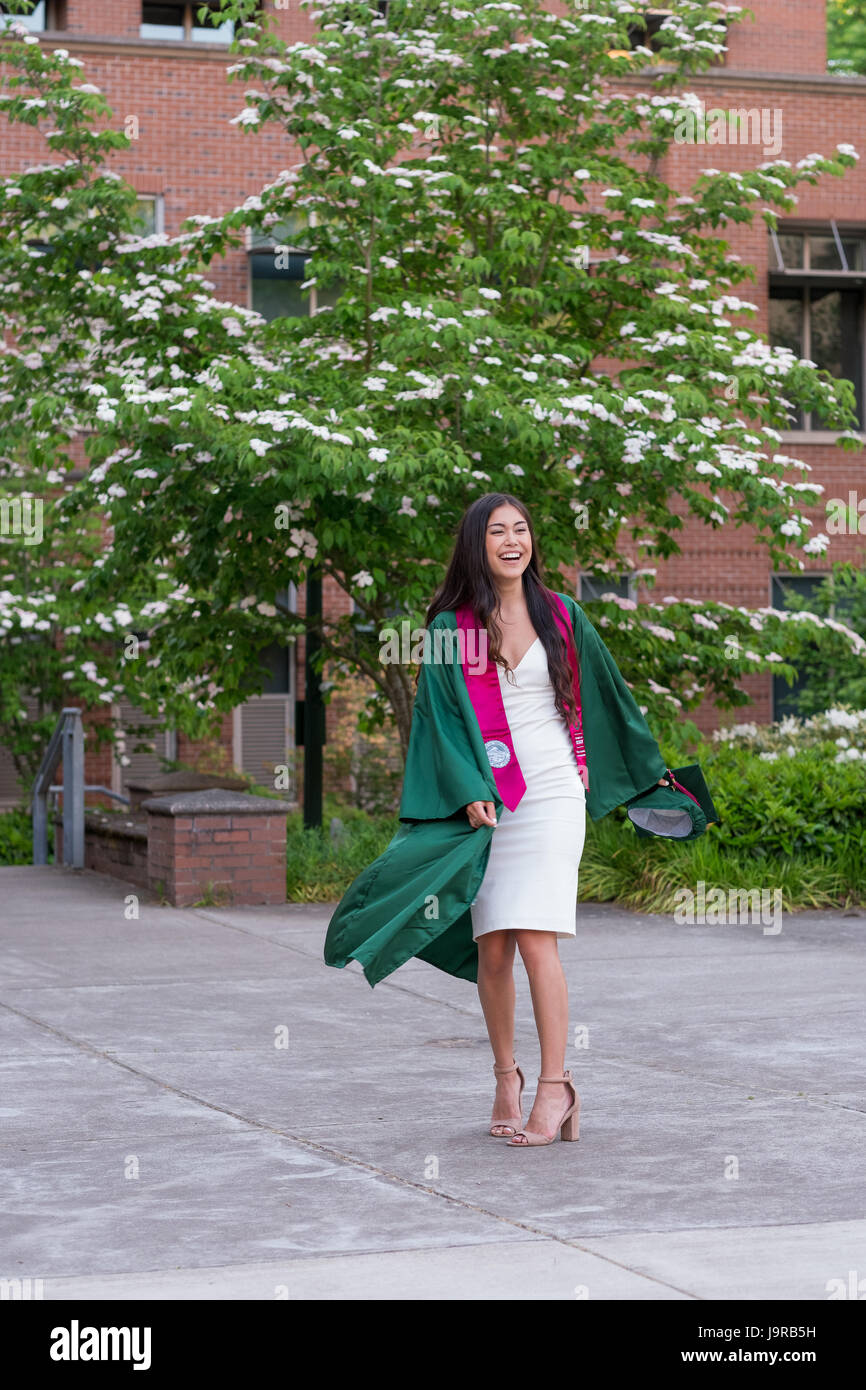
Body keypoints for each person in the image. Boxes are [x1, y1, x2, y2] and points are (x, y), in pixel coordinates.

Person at [324, 492, 676, 1148]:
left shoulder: (564, 617)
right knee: (493, 950)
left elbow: (611, 700)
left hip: (553, 792)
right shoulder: (449, 629)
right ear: (476, 546)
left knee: (538, 937)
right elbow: (437, 721)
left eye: (521, 529)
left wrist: (650, 778)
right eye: (497, 532)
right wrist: (462, 791)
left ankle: (556, 1086)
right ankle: (506, 1076)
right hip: (491, 798)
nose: (512, 540)